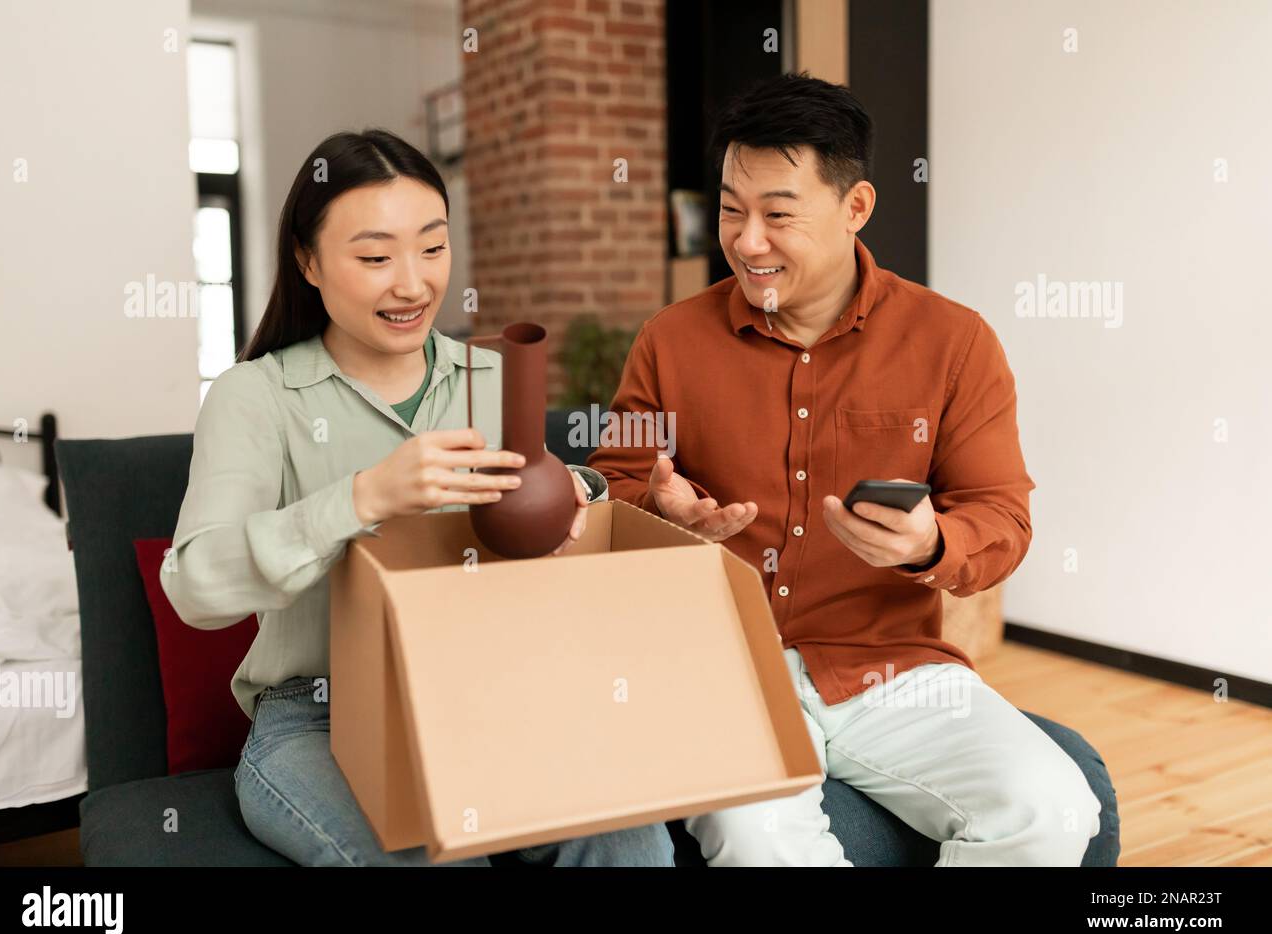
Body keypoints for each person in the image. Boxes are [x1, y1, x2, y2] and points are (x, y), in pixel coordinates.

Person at [586, 74, 1101, 865]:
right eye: (731, 210)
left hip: (890, 668)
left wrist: (932, 544)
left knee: (1055, 810)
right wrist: (660, 518)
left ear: (855, 207)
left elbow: (1002, 516)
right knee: (758, 838)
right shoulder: (671, 341)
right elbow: (611, 487)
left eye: (778, 215)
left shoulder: (954, 343)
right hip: (721, 663)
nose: (747, 240)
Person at [162, 128, 672, 867]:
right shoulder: (256, 397)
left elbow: (551, 492)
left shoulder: (487, 379)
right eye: (375, 257)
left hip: (486, 691)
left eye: (433, 249)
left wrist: (580, 494)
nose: (413, 283)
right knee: (433, 856)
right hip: (315, 716)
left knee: (632, 845)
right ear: (307, 261)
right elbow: (197, 587)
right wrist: (364, 497)